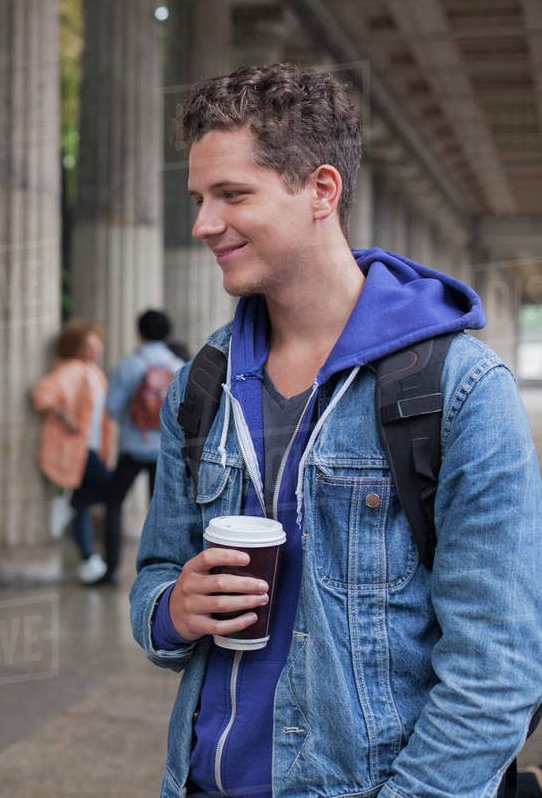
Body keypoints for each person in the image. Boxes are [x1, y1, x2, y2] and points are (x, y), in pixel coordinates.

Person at [129, 63, 542, 797]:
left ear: (322, 190)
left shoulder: (462, 390)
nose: (201, 224)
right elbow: (157, 576)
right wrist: (172, 609)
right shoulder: (205, 383)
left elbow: (496, 671)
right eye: (198, 198)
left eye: (232, 195)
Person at [101, 310, 185, 586]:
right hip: (165, 450)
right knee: (160, 510)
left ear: (139, 332)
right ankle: (160, 572)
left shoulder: (128, 365)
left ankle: (111, 568)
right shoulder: (179, 364)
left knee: (114, 504)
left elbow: (112, 410)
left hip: (133, 448)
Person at [31, 319, 113, 584]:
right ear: (77, 346)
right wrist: (65, 416)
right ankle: (69, 506)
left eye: (97, 344)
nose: (96, 349)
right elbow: (42, 394)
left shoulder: (95, 373)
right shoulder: (71, 369)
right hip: (78, 447)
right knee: (109, 486)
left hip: (92, 446)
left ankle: (88, 560)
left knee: (83, 505)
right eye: (89, 344)